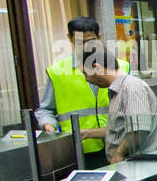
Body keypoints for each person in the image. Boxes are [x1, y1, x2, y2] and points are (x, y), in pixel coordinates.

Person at [35, 16, 128, 166]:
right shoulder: (57, 72)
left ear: (99, 37)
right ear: (69, 38)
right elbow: (45, 110)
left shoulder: (122, 67)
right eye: (79, 42)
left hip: (118, 144)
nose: (85, 46)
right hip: (79, 150)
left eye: (90, 41)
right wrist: (49, 126)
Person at [79, 44, 157, 163]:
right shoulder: (118, 90)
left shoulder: (131, 87)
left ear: (97, 67)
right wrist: (87, 133)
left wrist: (118, 154)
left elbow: (139, 130)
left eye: (85, 73)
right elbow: (120, 129)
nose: (86, 79)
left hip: (141, 168)